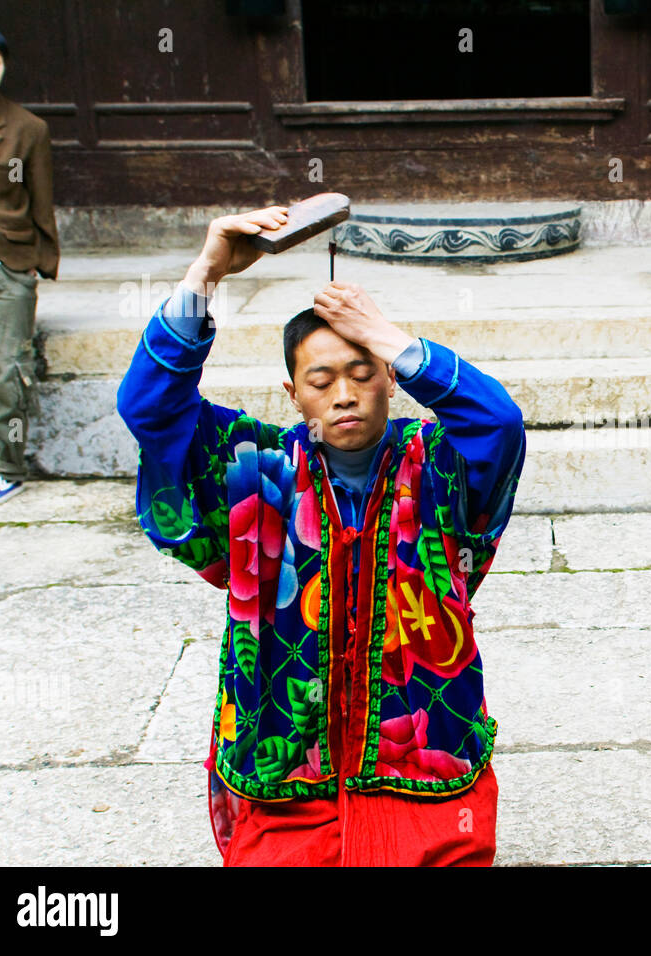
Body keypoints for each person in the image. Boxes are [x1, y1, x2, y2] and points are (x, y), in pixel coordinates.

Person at [117, 206, 526, 865]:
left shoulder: (439, 467)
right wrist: (209, 269)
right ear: (293, 394)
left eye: (363, 373)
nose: (344, 394)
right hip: (286, 773)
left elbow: (499, 424)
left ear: (392, 379)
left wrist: (390, 337)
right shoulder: (256, 470)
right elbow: (150, 408)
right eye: (321, 379)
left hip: (421, 761)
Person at [0, 18, 59, 507]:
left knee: (5, 367)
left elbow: (39, 200)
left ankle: (5, 467)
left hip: (5, 259)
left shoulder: (26, 128)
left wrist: (37, 264)